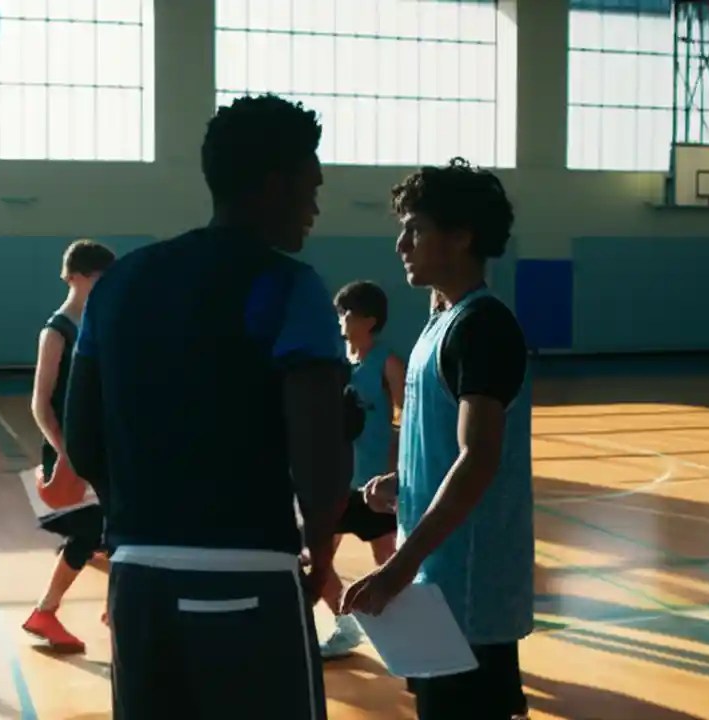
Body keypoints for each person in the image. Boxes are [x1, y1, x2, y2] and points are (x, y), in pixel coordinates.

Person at [64, 93, 352, 720]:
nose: (314, 208)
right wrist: (322, 553)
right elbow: (320, 461)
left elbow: (81, 438)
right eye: (310, 188)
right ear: (274, 186)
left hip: (138, 579)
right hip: (249, 573)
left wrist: (136, 522)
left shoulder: (118, 284)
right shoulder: (290, 286)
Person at [341, 158, 532, 720]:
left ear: (461, 236)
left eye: (416, 230)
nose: (402, 244)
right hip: (436, 584)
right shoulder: (441, 323)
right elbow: (446, 445)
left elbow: (478, 458)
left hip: (468, 590)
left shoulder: (482, 327)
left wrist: (396, 568)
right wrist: (406, 483)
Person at [23, 239, 115, 651]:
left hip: (100, 446)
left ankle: (115, 608)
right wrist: (63, 450)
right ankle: (45, 611)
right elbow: (40, 403)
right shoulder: (56, 331)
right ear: (75, 277)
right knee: (90, 531)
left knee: (113, 528)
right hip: (70, 450)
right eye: (100, 278)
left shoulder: (104, 324)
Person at [318, 280, 404, 659]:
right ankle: (346, 623)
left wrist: (397, 473)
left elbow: (409, 420)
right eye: (339, 313)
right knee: (315, 557)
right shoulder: (338, 363)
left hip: (375, 488)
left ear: (369, 321)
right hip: (338, 481)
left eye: (348, 314)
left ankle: (409, 631)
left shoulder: (388, 363)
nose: (341, 320)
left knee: (389, 565)